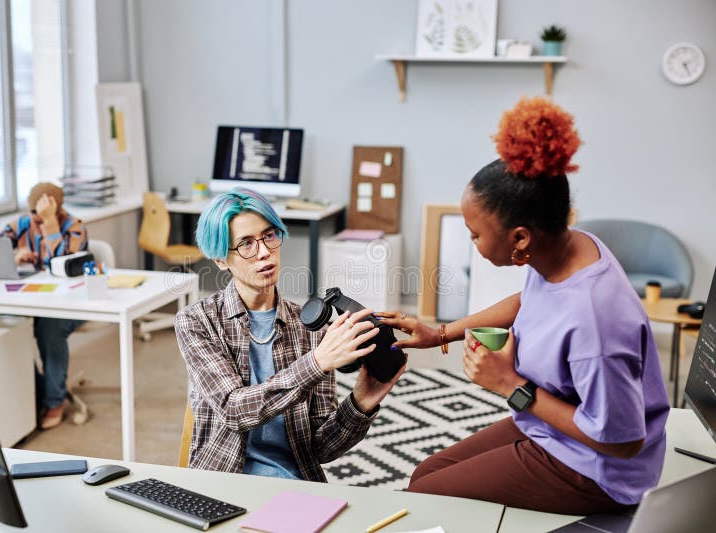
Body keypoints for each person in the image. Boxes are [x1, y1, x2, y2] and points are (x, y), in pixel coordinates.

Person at [378, 97, 669, 514]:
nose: (471, 242)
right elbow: (528, 299)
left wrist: (510, 385)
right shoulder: (570, 248)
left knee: (427, 498)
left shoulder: (595, 322)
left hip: (598, 470)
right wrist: (440, 333)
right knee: (425, 475)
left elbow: (624, 442)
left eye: (475, 234)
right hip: (553, 430)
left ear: (519, 239)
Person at [175, 187, 405, 481]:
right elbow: (233, 410)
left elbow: (321, 450)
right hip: (223, 481)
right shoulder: (197, 321)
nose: (264, 252)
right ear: (221, 259)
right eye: (246, 243)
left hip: (294, 482)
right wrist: (317, 363)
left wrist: (360, 403)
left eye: (269, 235)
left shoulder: (310, 327)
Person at [0, 182, 88, 429]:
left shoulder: (75, 228)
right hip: (33, 300)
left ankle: (54, 400)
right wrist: (14, 257)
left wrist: (50, 224)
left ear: (57, 211)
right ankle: (37, 390)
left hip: (73, 304)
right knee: (4, 328)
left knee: (49, 329)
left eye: (42, 218)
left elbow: (62, 264)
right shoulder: (23, 223)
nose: (37, 224)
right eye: (35, 218)